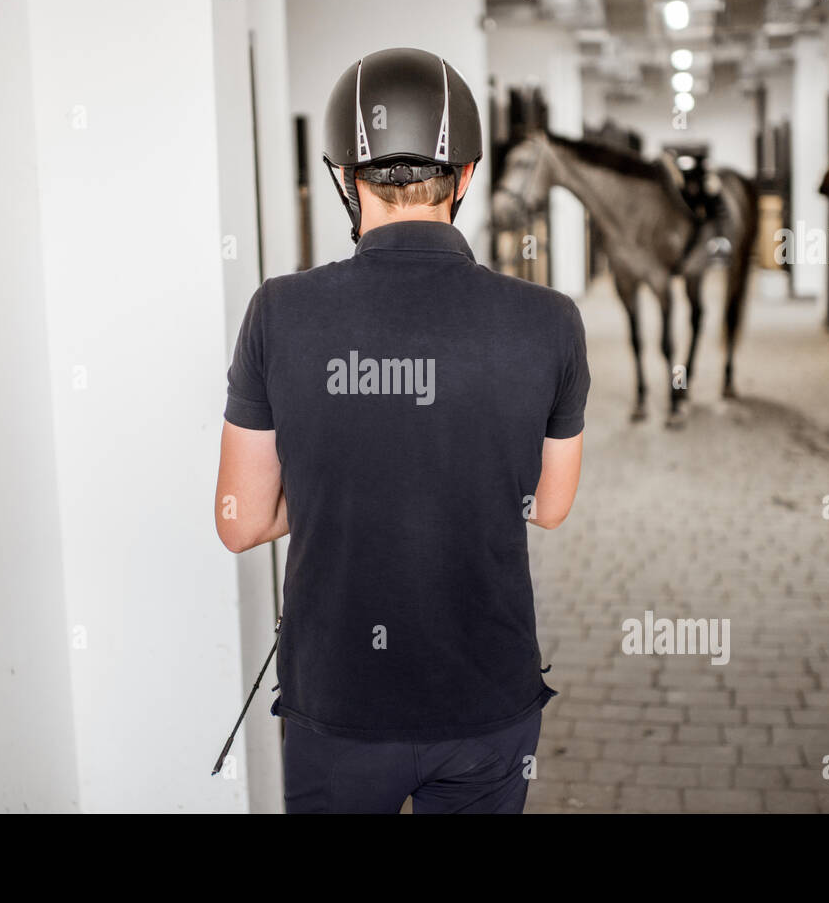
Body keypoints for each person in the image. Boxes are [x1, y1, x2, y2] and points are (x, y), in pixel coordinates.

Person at [214, 47, 589, 813]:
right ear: (470, 175)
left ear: (347, 179)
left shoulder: (278, 312)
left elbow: (242, 520)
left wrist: (331, 489)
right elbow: (548, 505)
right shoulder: (550, 321)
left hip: (339, 705)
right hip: (486, 701)